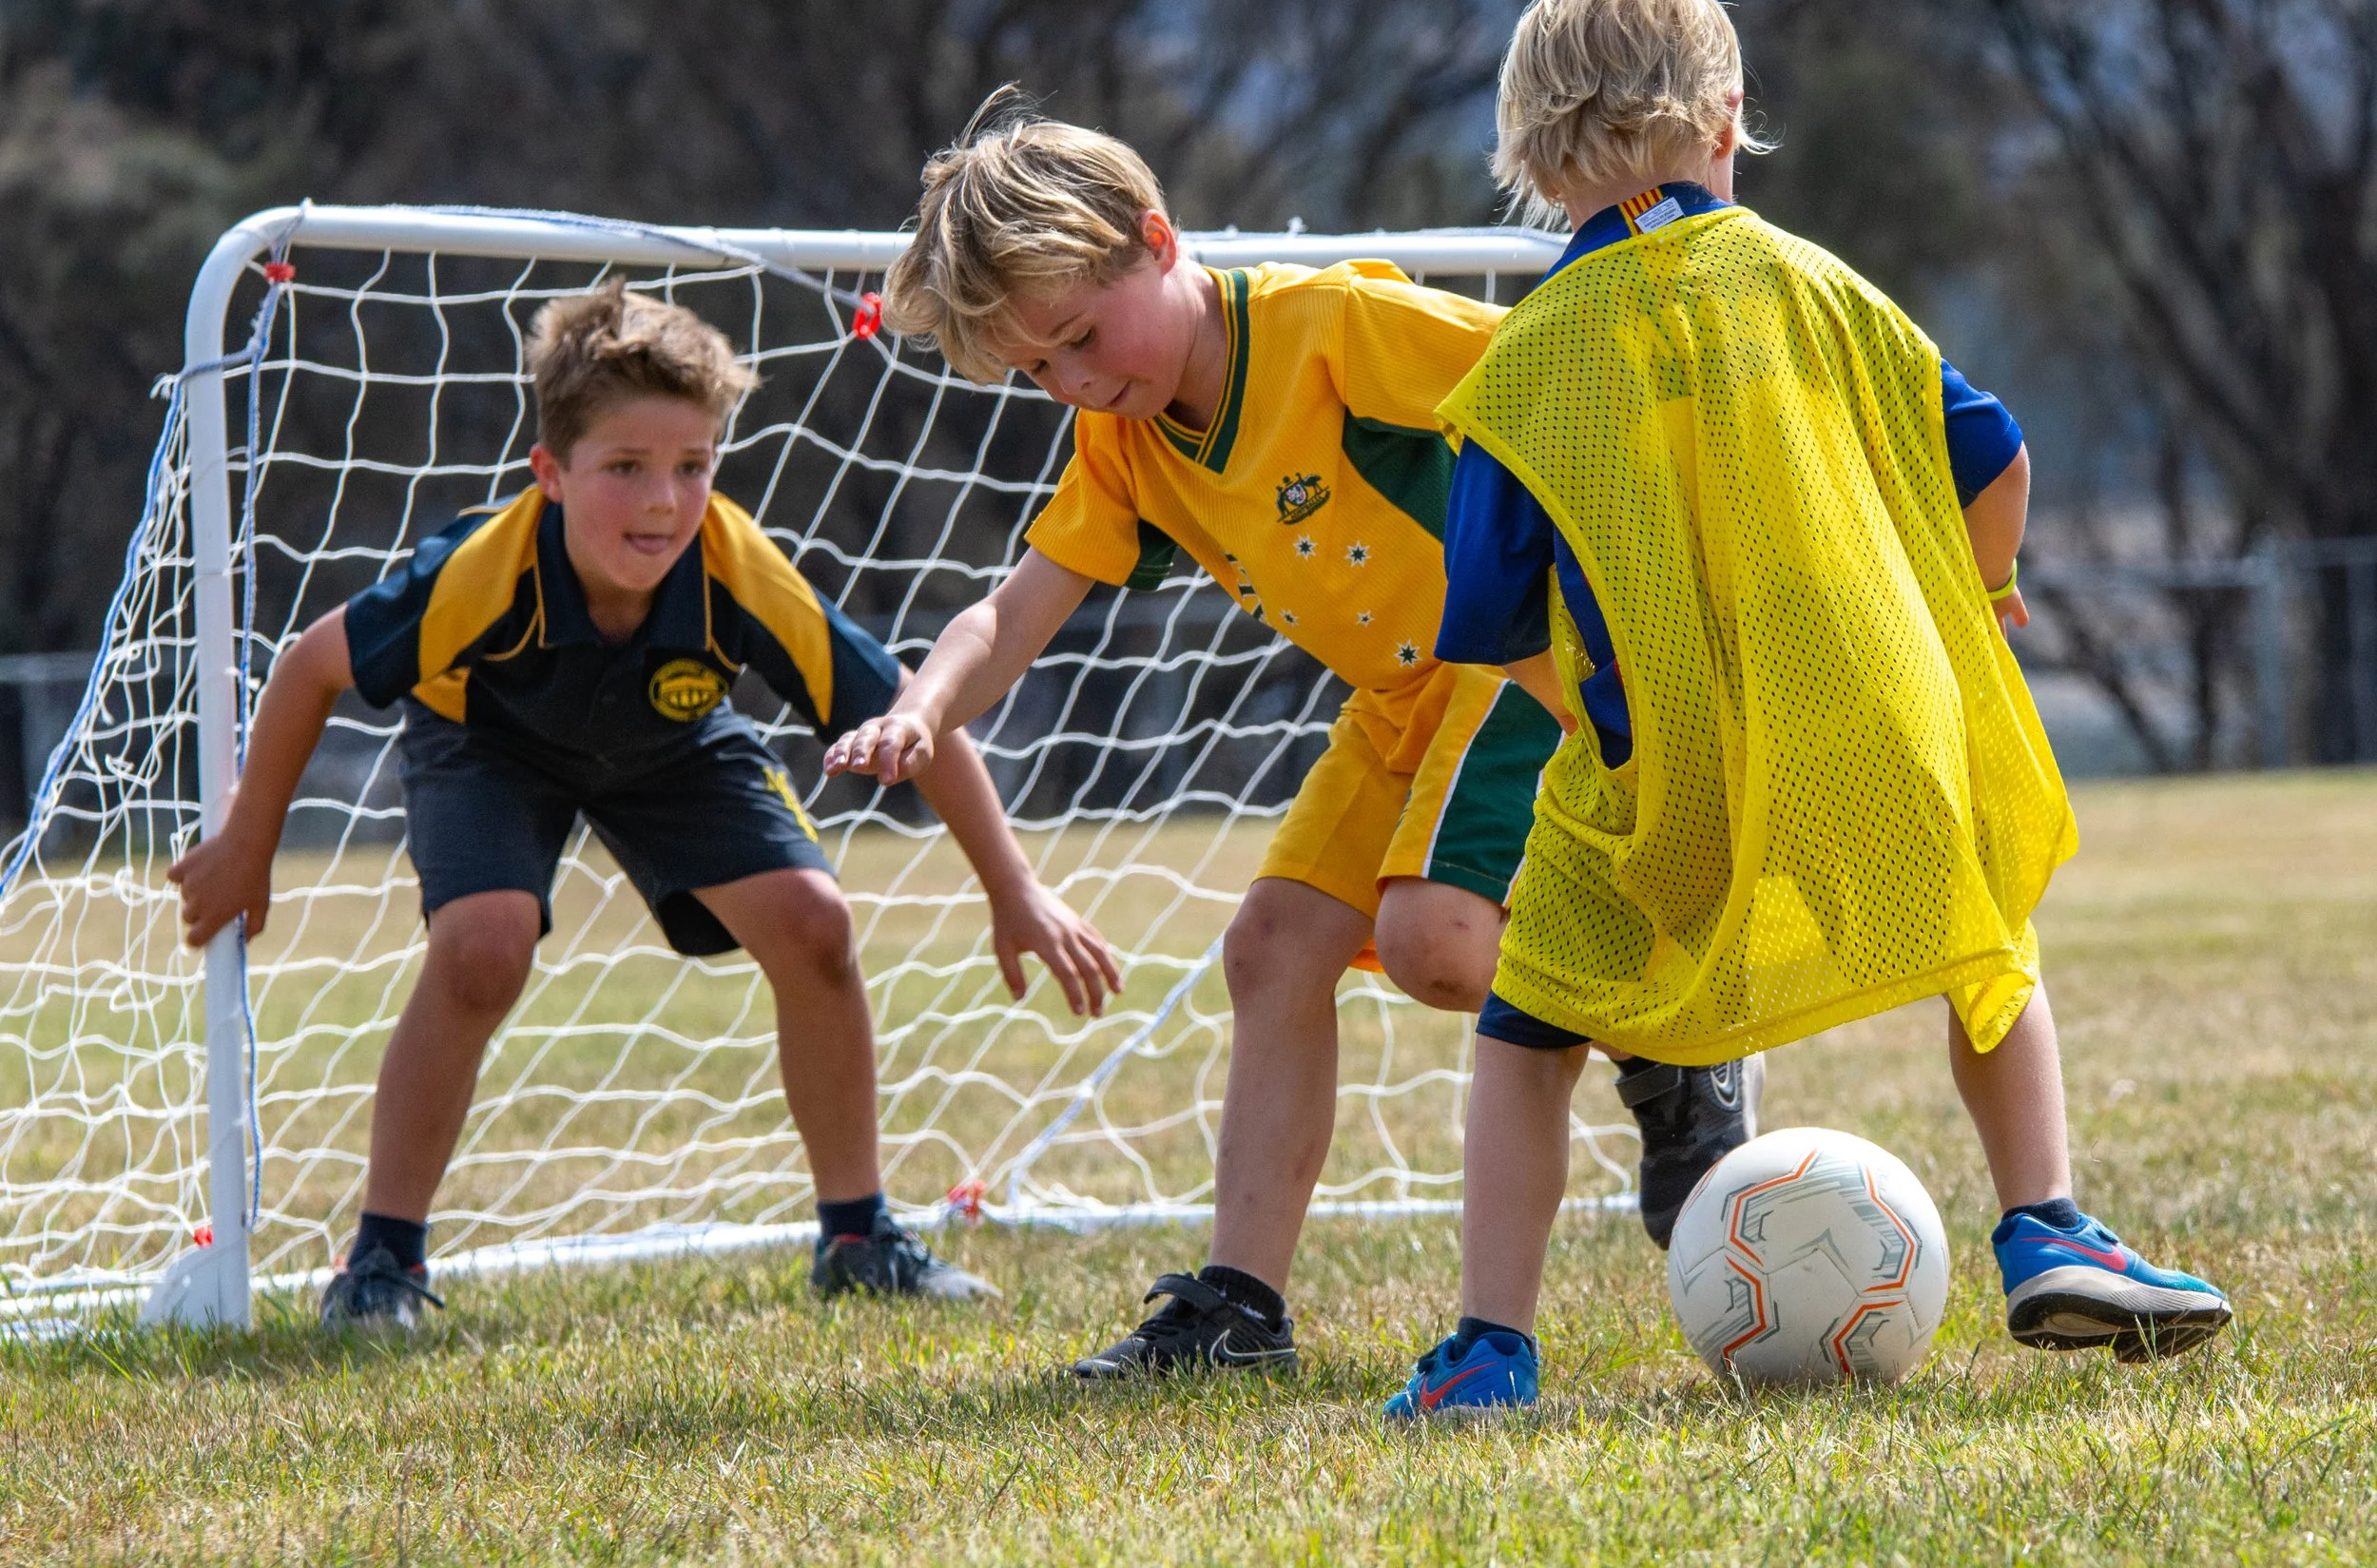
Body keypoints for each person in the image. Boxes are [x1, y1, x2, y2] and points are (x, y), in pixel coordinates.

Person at [1384, 0, 2232, 1419]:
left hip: (1661, 763)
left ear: (1529, 152)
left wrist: (1598, 709)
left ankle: (1489, 1349)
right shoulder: (1817, 285)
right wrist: (1976, 594)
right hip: (1871, 712)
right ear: (1725, 119)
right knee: (1985, 945)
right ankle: (2047, 1223)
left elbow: (1490, 617)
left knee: (1529, 1032)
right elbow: (1998, 452)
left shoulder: (1525, 369)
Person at [823, 101, 1759, 1381]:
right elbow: (1013, 607)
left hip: (1524, 648)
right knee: (1272, 946)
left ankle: (1677, 1036)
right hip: (1397, 700)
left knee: (1436, 939)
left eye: (1085, 337)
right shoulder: (1128, 444)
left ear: (1157, 238)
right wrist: (922, 707)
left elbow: (1561, 373)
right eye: (1041, 371)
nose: (1080, 383)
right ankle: (1241, 1308)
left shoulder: (1331, 327)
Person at [169, 281, 1117, 1330]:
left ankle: (858, 1237)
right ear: (551, 475)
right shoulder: (482, 573)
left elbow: (907, 711)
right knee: (484, 948)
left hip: (670, 740)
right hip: (489, 739)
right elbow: (310, 667)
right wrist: (248, 846)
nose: (664, 501)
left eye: (692, 467)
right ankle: (382, 1265)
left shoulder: (735, 567)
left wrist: (1014, 887)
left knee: (816, 925)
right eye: (625, 468)